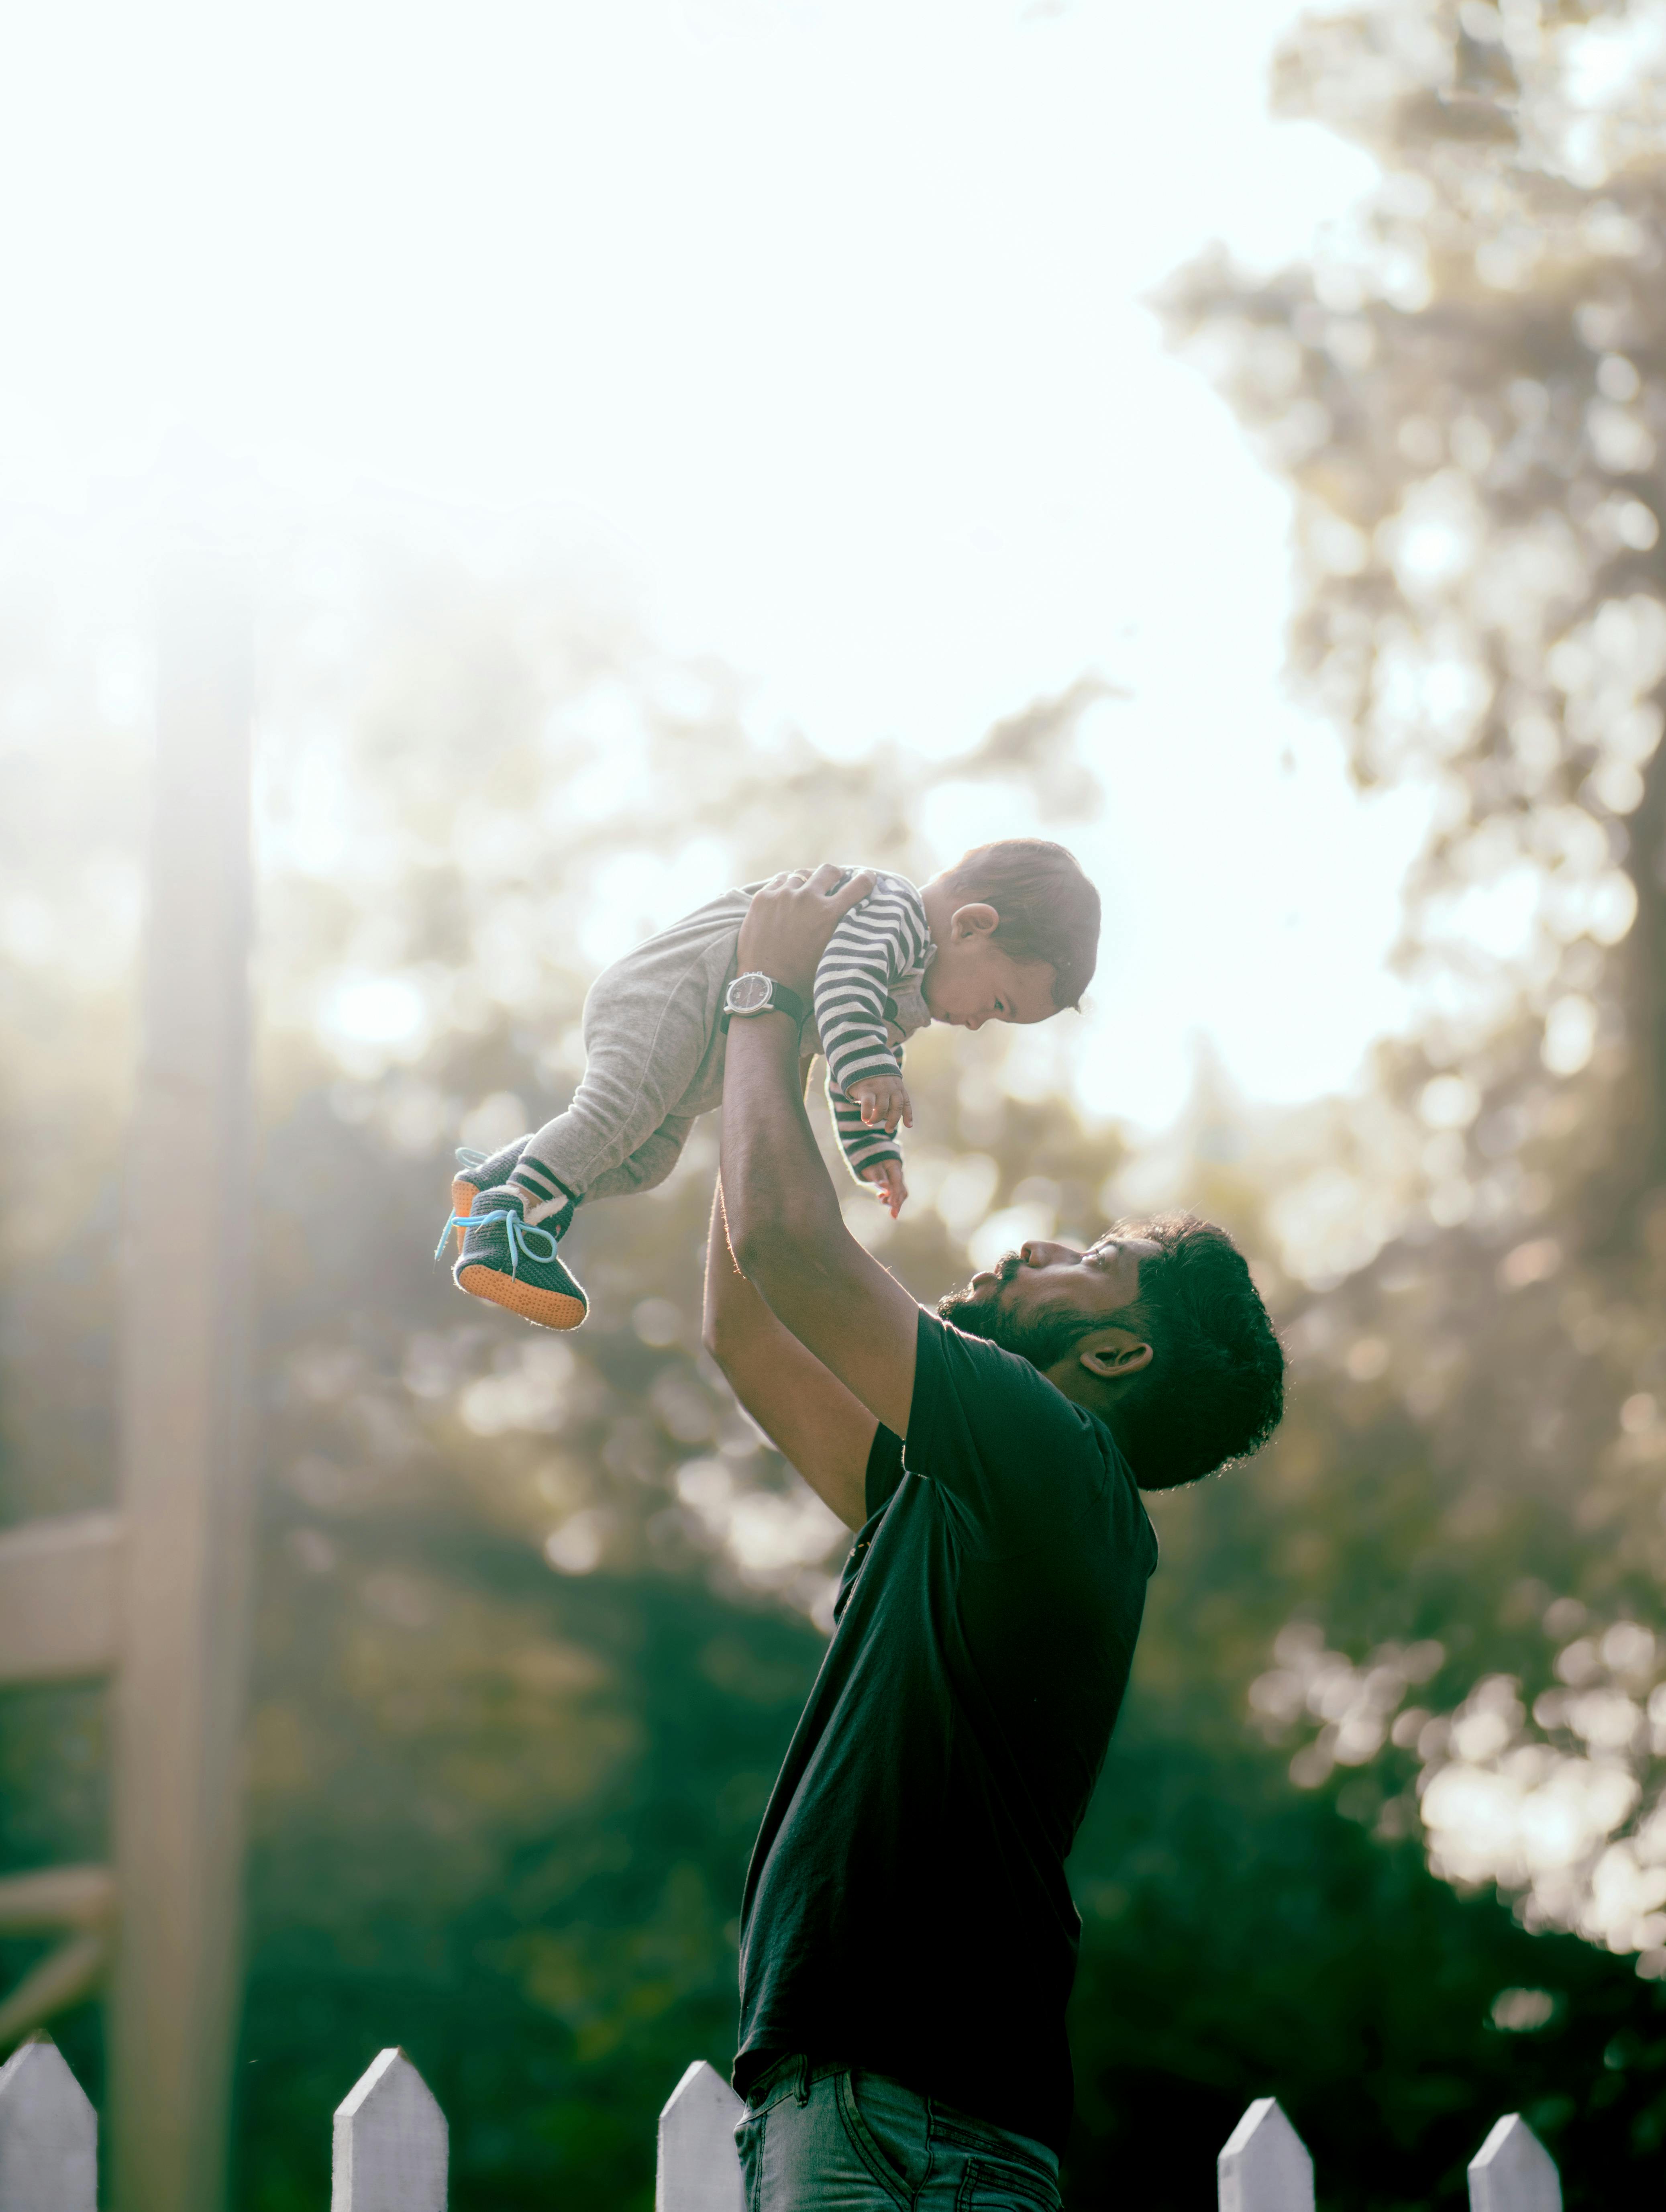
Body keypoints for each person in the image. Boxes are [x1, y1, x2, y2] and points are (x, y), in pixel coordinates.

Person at [703, 865, 1285, 2212]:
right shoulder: (963, 1498)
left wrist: (765, 1000)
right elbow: (745, 1322)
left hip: (905, 2123)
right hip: (885, 2116)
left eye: (1087, 1257)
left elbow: (791, 1244)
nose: (1036, 1244)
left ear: (1117, 1349)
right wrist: (762, 1039)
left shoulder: (1056, 1464)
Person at [436, 840, 1100, 1330]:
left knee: (647, 1158)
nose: (983, 1023)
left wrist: (875, 1152)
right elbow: (844, 994)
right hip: (674, 996)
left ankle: (502, 1177)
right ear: (972, 925)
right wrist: (875, 1066)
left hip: (702, 1049)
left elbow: (846, 1072)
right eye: (1001, 1004)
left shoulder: (904, 997)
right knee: (615, 1112)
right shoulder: (891, 913)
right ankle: (508, 1224)